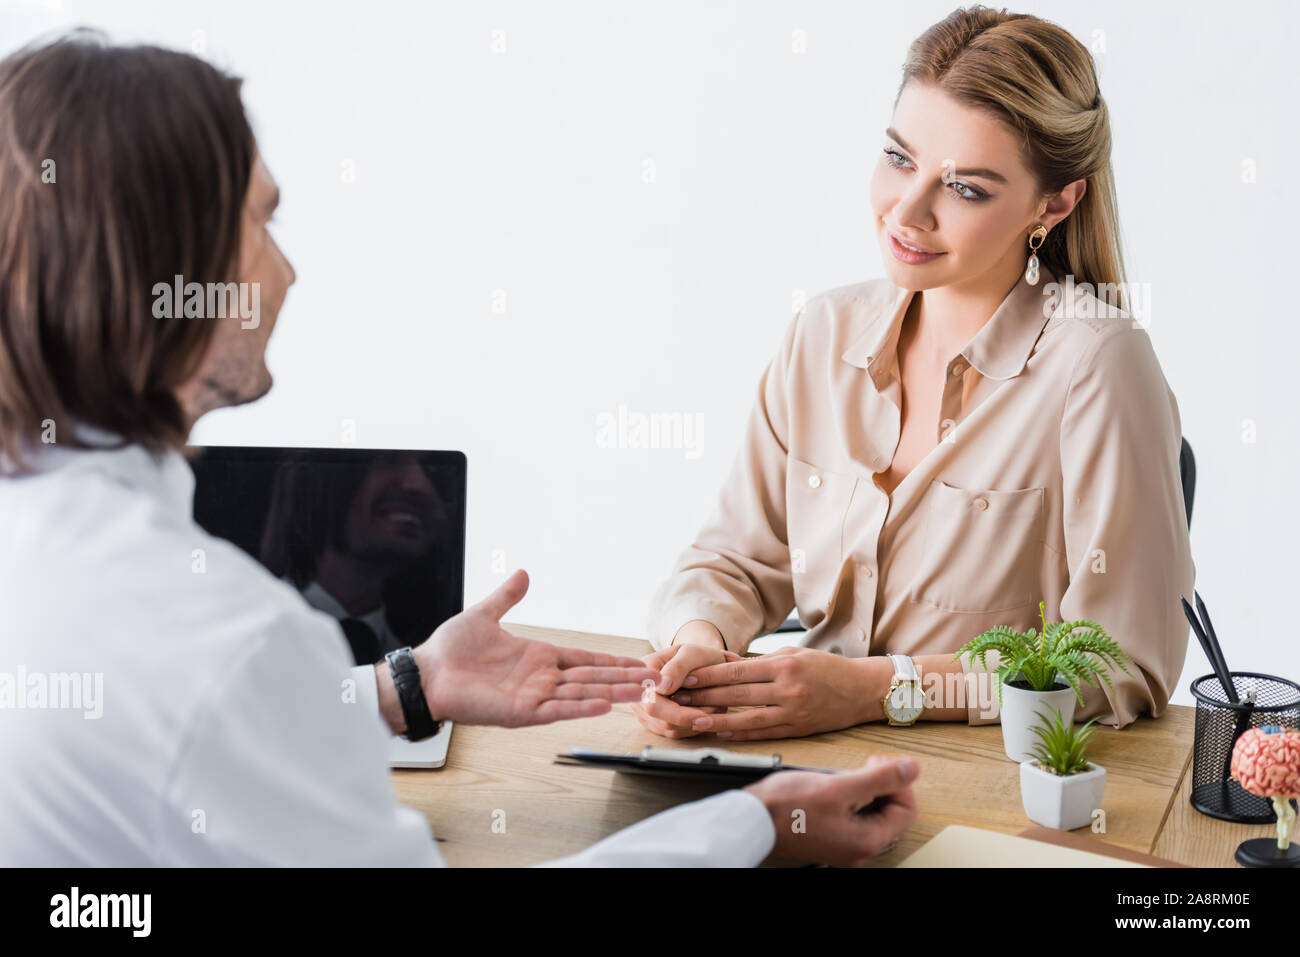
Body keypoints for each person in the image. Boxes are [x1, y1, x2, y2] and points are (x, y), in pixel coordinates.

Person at [0, 32, 918, 867]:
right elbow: (214, 707)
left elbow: (198, 733)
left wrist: (406, 687)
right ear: (176, 260)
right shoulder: (224, 643)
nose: (287, 271)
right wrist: (753, 825)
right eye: (261, 223)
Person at [637, 5, 1195, 741]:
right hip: (800, 757)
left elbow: (1124, 661)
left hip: (986, 782)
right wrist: (700, 648)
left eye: (965, 188)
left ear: (1055, 202)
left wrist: (880, 690)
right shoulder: (822, 334)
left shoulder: (1098, 365)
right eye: (900, 158)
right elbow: (734, 559)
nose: (907, 212)